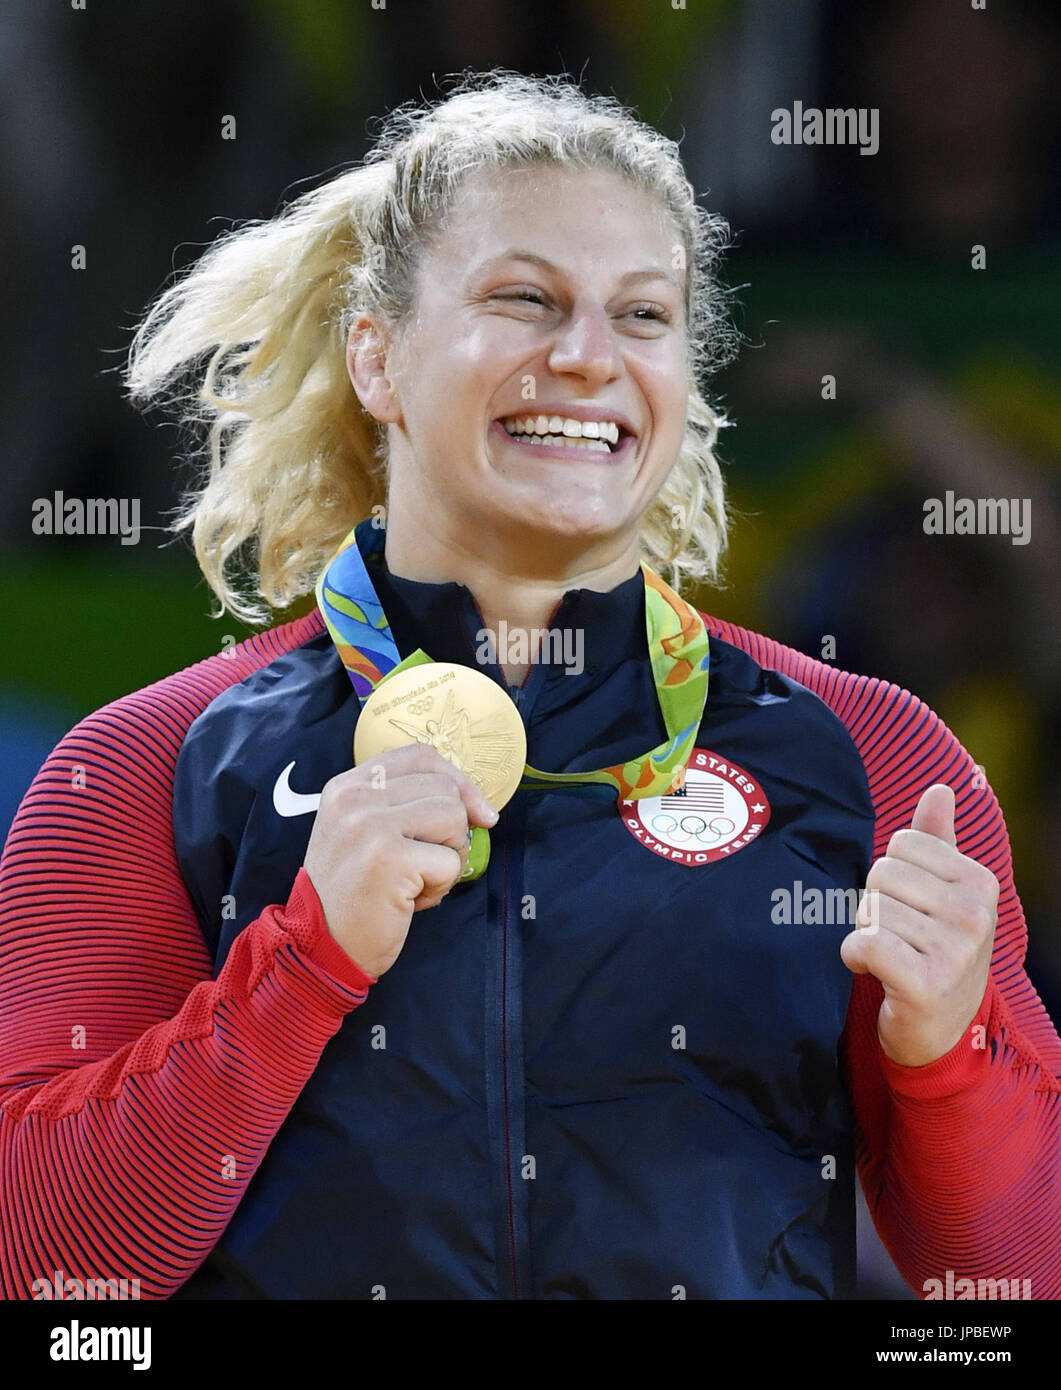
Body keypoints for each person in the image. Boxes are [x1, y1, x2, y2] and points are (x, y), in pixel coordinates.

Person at [1, 69, 1058, 1302]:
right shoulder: (145, 763)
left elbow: (1008, 1286)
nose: (586, 357)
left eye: (642, 315)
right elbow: (50, 1276)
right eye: (522, 299)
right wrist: (305, 963)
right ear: (377, 357)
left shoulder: (871, 757)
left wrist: (943, 1058)